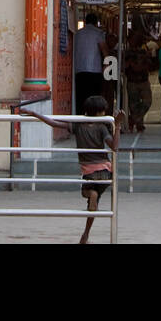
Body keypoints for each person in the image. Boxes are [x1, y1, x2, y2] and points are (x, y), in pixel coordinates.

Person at [20, 97, 124, 244]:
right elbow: (115, 146)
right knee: (94, 203)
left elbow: (53, 123)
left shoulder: (78, 126)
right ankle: (85, 235)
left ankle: (89, 202)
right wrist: (118, 125)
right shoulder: (102, 127)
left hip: (89, 172)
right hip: (106, 172)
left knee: (86, 193)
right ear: (99, 113)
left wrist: (35, 114)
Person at [73, 14, 109, 115]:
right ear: (96, 22)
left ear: (85, 21)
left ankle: (80, 119)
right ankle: (92, 118)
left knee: (81, 97)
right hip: (94, 71)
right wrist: (105, 67)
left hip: (79, 70)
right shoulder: (99, 33)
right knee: (94, 98)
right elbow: (105, 51)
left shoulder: (77, 34)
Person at [123, 32, 154, 133]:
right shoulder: (126, 52)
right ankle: (139, 124)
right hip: (132, 81)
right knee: (134, 104)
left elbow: (149, 65)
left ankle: (133, 119)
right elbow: (125, 66)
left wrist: (139, 66)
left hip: (143, 81)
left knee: (147, 101)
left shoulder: (144, 51)